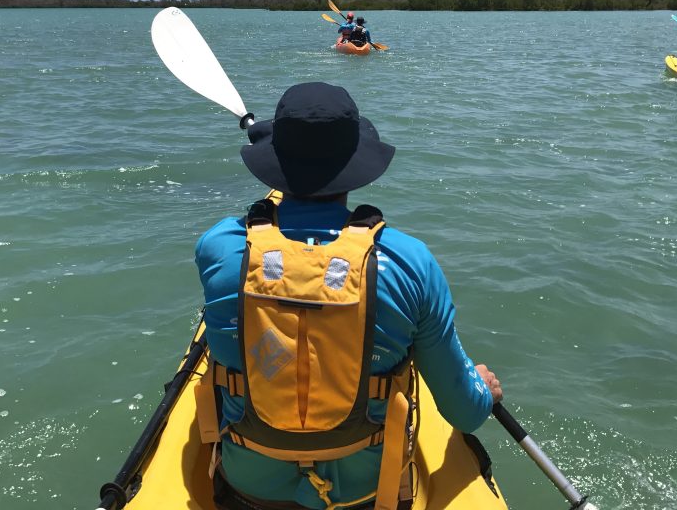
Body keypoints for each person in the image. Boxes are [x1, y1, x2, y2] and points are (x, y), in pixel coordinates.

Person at [194, 82, 502, 510]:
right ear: (356, 163)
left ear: (275, 165)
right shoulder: (410, 261)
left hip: (248, 490)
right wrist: (483, 389)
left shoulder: (219, 249)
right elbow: (465, 413)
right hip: (367, 495)